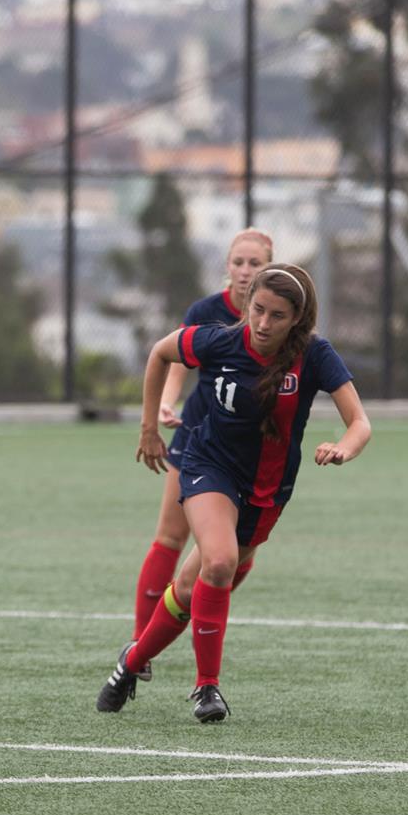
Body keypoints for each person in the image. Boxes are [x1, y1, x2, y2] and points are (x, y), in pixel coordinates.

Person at [97, 263, 371, 723]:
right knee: (220, 561)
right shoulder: (219, 339)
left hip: (268, 488)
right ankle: (207, 689)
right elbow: (160, 354)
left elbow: (360, 422)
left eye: (277, 316)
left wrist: (343, 447)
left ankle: (129, 663)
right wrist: (148, 428)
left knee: (188, 587)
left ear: (297, 320)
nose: (263, 324)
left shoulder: (316, 355)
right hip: (209, 465)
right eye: (257, 310)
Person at [126, 228, 274, 671]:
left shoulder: (280, 318)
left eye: (255, 264)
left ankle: (189, 613)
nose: (246, 271)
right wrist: (166, 404)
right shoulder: (207, 311)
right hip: (198, 438)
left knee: (233, 557)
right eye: (239, 262)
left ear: (270, 266)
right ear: (227, 265)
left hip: (250, 452)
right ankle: (140, 644)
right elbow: (174, 359)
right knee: (170, 537)